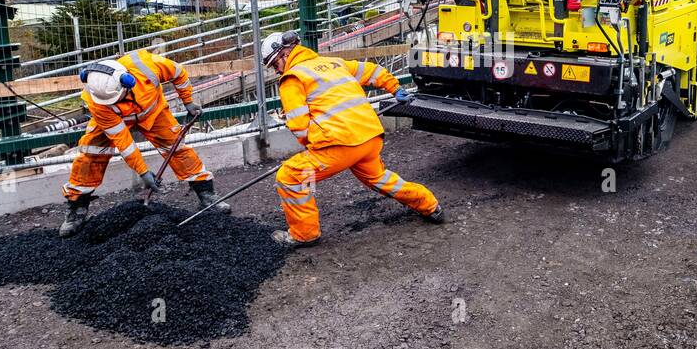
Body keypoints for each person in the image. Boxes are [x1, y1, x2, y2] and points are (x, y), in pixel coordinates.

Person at [261, 30, 442, 247]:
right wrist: (396, 89)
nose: (276, 70)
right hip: (370, 137)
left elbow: (299, 125)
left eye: (274, 65)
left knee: (290, 176)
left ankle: (304, 234)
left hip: (339, 146)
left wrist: (312, 147)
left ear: (284, 54)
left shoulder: (292, 78)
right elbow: (374, 71)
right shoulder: (334, 63)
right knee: (380, 179)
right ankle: (429, 205)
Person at [59, 48, 228, 237]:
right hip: (114, 120)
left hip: (153, 112)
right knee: (91, 154)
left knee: (177, 149)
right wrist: (143, 172)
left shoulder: (148, 66)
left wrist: (187, 101)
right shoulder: (99, 102)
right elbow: (124, 142)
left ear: (127, 82)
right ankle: (76, 210)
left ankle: (207, 196)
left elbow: (179, 73)